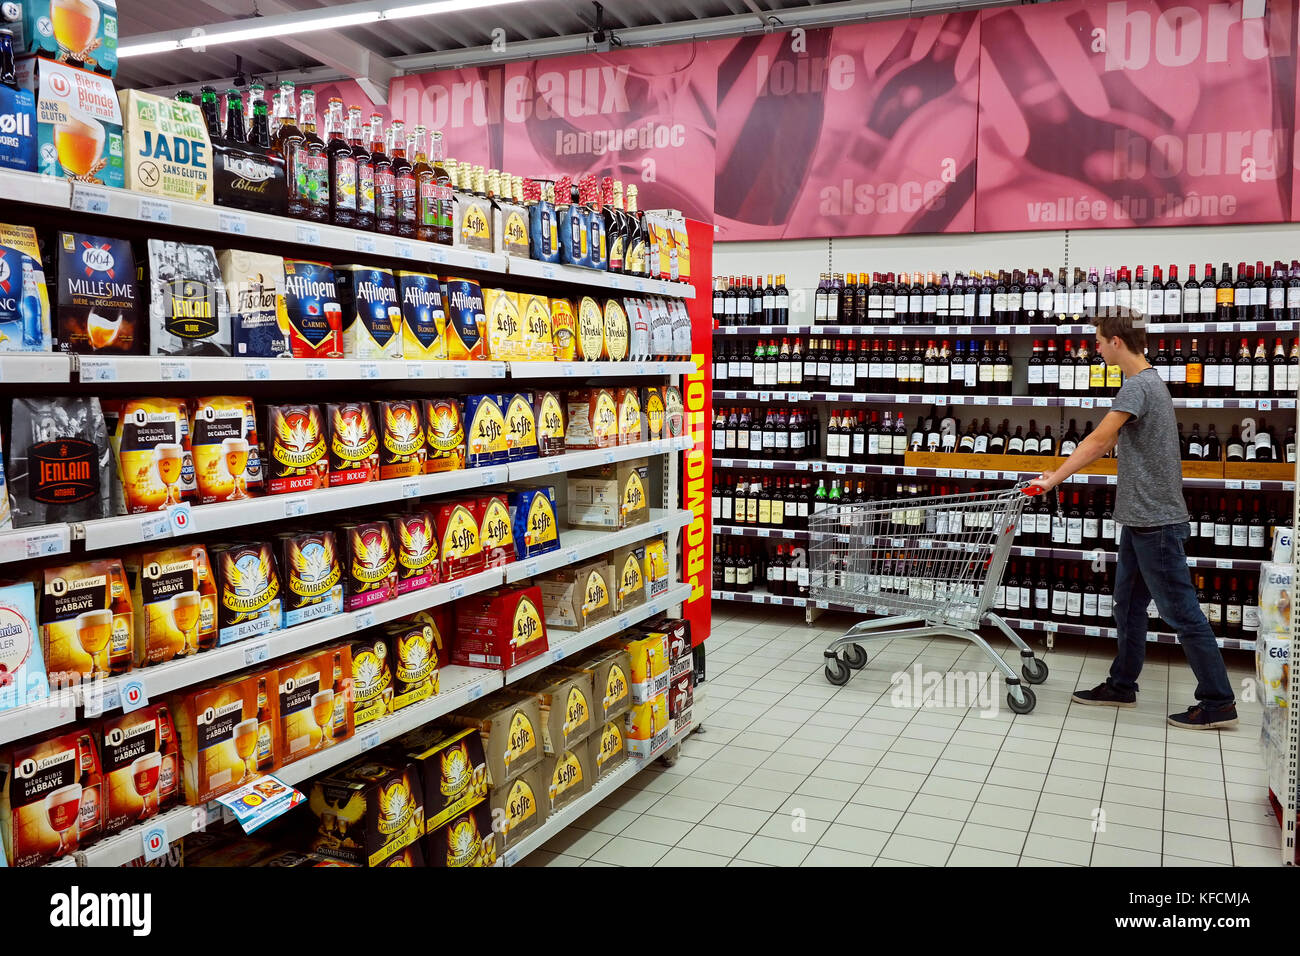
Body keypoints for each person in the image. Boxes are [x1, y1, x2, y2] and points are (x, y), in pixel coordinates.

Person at [1028, 308, 1237, 729]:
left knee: (1182, 613)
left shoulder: (1137, 387)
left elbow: (1099, 440)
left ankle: (1218, 701)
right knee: (1129, 606)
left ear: (1116, 342)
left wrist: (1053, 478)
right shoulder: (1149, 382)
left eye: (1100, 342)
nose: (1097, 348)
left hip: (1155, 522)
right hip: (1141, 520)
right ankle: (1122, 685)